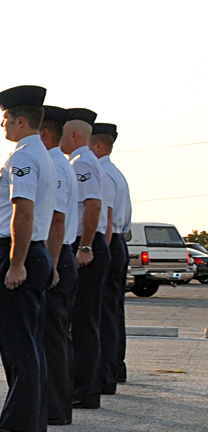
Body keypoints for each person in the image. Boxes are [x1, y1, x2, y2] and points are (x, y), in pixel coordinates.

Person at [0, 86, 57, 432]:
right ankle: (31, 419)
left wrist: (16, 263)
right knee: (29, 341)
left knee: (18, 342)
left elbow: (23, 212)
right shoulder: (42, 155)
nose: (3, 125)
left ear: (21, 121)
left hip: (17, 251)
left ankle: (21, 423)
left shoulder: (24, 157)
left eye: (7, 119)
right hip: (33, 250)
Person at [64, 107, 108, 411]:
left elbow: (93, 206)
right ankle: (82, 387)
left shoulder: (82, 162)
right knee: (82, 320)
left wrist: (86, 246)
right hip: (87, 243)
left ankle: (84, 390)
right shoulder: (84, 161)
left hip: (86, 245)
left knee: (83, 321)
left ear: (74, 135)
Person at [38, 105, 77, 428]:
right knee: (54, 334)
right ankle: (55, 405)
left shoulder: (55, 165)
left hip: (56, 252)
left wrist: (50, 265)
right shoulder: (59, 163)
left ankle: (54, 407)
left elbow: (57, 219)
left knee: (51, 335)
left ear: (43, 133)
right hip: (58, 251)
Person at [91, 122, 130, 392]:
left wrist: (99, 251)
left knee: (103, 311)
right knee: (113, 310)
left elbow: (105, 215)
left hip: (107, 241)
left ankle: (106, 371)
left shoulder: (102, 174)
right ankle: (115, 366)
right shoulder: (115, 172)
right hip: (118, 242)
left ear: (97, 146)